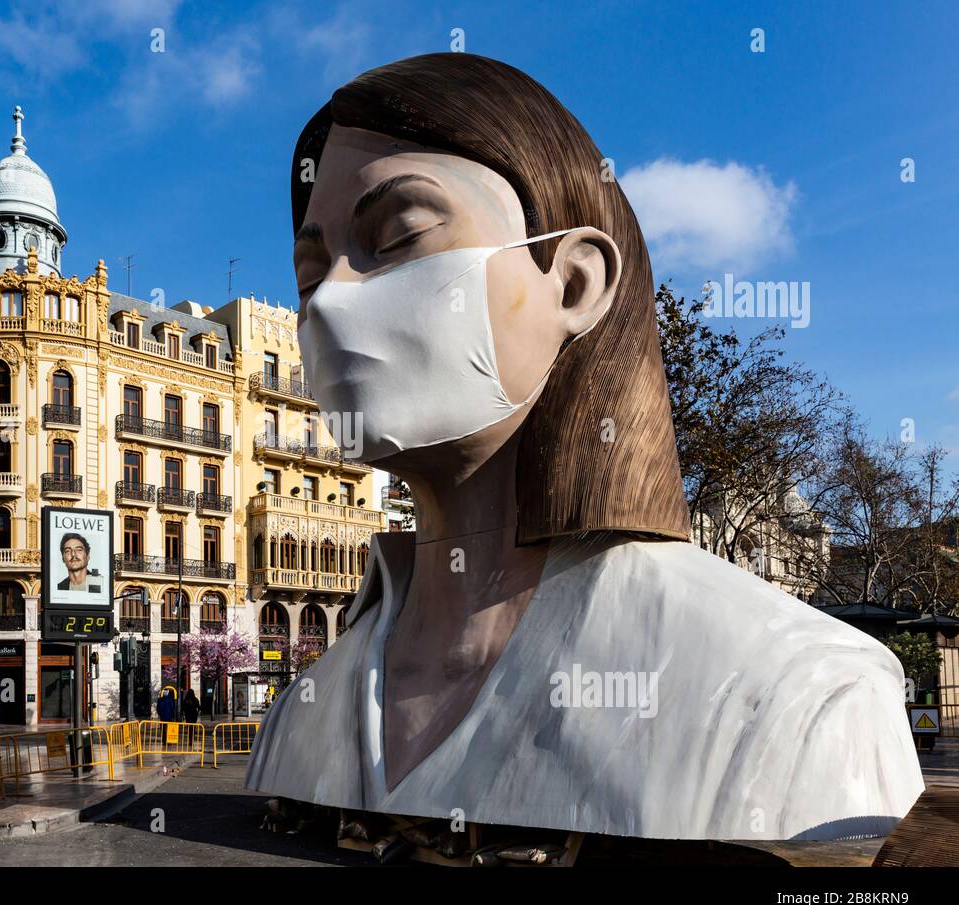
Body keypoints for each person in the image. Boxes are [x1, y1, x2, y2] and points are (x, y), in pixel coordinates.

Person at [246, 52, 923, 844]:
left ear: (573, 284)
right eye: (310, 271)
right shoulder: (298, 719)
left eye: (397, 235)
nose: (330, 299)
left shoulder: (796, 695)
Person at [56, 532, 103, 598]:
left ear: (87, 557)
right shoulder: (58, 588)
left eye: (79, 550)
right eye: (68, 551)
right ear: (63, 558)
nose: (73, 554)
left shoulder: (101, 584)